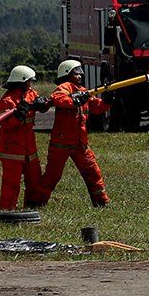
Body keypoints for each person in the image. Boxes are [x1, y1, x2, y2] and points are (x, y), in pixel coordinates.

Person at [41, 60, 111, 207]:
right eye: (76, 72)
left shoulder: (82, 91)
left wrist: (108, 101)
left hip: (80, 143)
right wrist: (74, 99)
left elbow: (96, 107)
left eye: (80, 72)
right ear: (67, 73)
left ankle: (102, 203)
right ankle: (37, 203)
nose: (80, 75)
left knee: (93, 172)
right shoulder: (64, 88)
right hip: (62, 142)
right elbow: (58, 99)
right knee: (52, 176)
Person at [0, 65, 51, 210]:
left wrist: (43, 104)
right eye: (29, 81)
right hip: (12, 149)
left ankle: (31, 208)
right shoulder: (7, 100)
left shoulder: (31, 94)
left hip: (29, 150)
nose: (30, 84)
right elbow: (1, 121)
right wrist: (17, 116)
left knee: (34, 180)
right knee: (11, 183)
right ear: (22, 81)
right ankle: (7, 210)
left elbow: (41, 103)